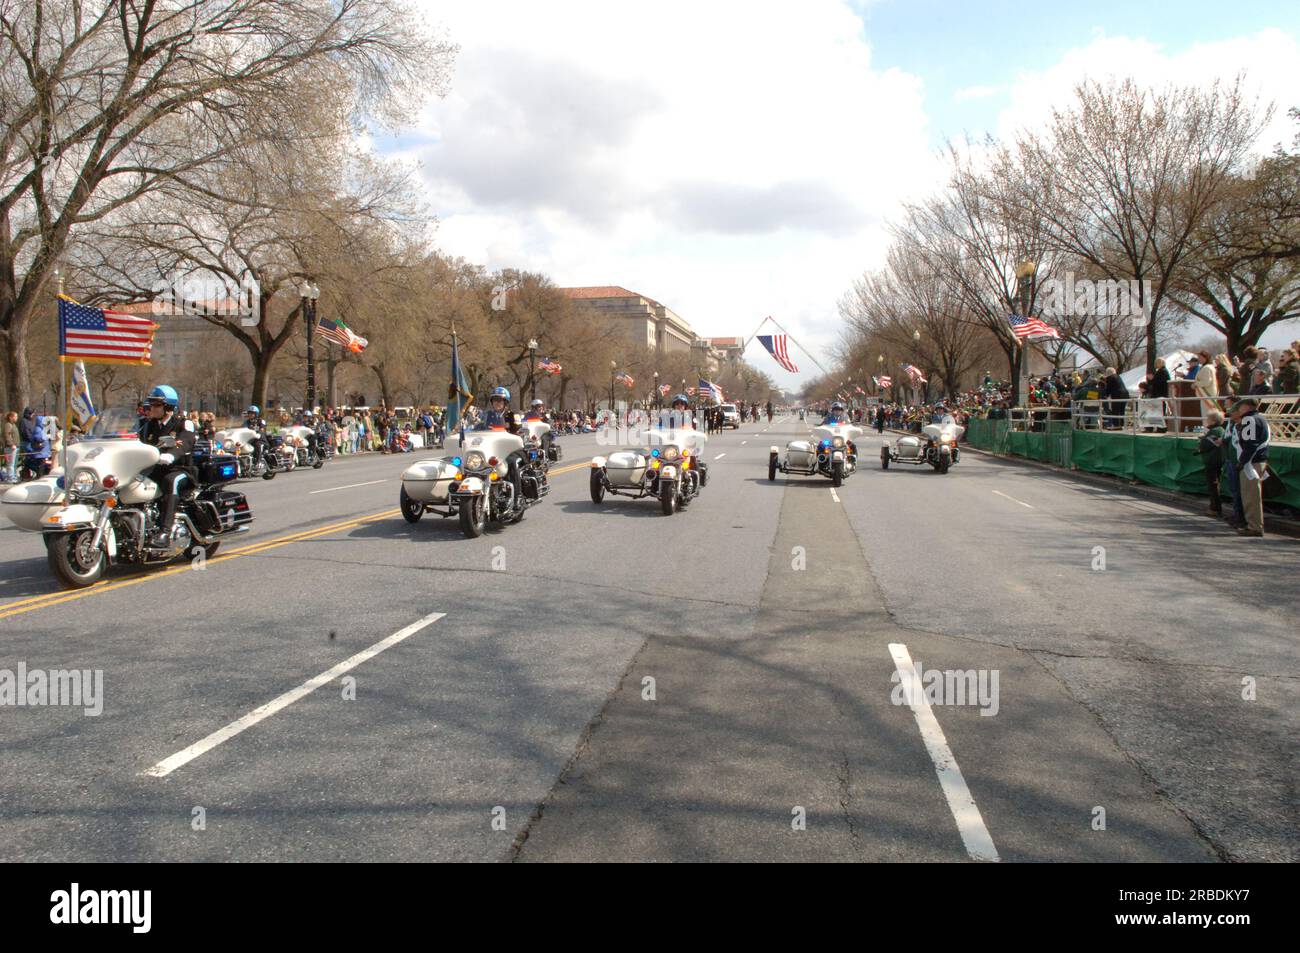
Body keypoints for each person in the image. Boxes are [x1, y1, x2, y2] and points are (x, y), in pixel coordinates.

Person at [140, 385, 196, 548]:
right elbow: (137, 442)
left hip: (180, 469)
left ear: (168, 406)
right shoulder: (148, 426)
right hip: (155, 468)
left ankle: (164, 532)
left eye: (156, 404)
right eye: (151, 404)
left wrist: (172, 455)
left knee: (171, 482)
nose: (152, 408)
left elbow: (185, 442)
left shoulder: (183, 424)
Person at [1229, 398, 1269, 537]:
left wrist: (1242, 461)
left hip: (1251, 463)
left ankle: (1254, 526)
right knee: (1252, 495)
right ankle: (1254, 524)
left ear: (1246, 407)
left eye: (1240, 408)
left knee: (1250, 496)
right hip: (1258, 461)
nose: (1238, 410)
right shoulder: (1259, 419)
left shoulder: (1249, 420)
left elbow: (1250, 443)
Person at [1195, 409, 1227, 518]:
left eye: (1208, 418)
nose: (1207, 420)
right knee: (1214, 484)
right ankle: (1214, 507)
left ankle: (1215, 508)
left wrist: (1202, 441)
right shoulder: (1220, 430)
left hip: (1212, 461)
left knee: (1213, 484)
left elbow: (1205, 445)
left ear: (1213, 420)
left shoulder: (1215, 431)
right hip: (1217, 460)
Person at [2, 410, 19, 483]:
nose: (17, 418)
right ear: (10, 417)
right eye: (15, 416)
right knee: (10, 463)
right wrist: (11, 444)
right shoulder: (8, 425)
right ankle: (10, 478)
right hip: (10, 448)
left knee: (13, 463)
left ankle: (13, 476)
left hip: (15, 447)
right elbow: (7, 435)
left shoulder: (13, 425)